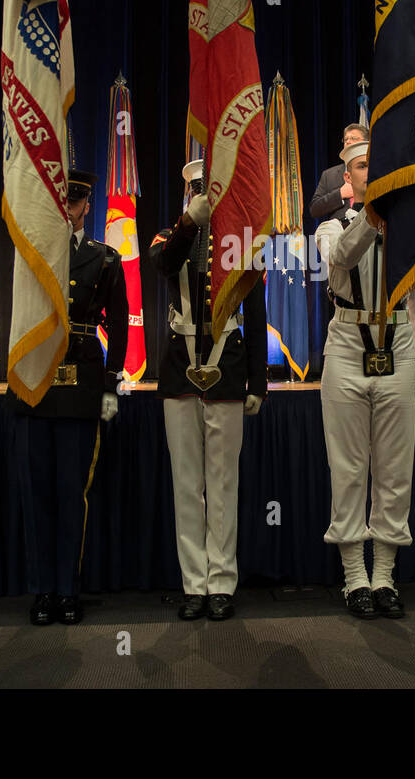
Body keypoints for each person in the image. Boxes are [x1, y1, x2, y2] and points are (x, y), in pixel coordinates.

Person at [314, 135, 415, 620]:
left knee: (393, 469)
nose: (371, 172)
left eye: (377, 164)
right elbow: (341, 259)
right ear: (348, 179)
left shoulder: (411, 230)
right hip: (348, 344)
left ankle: (385, 574)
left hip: (399, 342)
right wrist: (375, 215)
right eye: (363, 166)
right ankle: (354, 576)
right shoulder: (332, 226)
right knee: (348, 469)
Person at [6, 170, 128, 625]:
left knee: (69, 491)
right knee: (35, 491)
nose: (68, 208)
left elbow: (118, 324)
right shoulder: (29, 250)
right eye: (61, 200)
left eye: (75, 202)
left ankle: (67, 587)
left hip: (80, 380)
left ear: (86, 206)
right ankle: (42, 591)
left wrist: (112, 383)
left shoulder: (105, 259)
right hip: (36, 378)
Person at [150, 159, 266, 622]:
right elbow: (164, 266)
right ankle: (193, 584)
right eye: (198, 189)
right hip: (181, 369)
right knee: (187, 485)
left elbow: (255, 313)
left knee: (222, 483)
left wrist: (258, 380)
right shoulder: (168, 235)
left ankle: (221, 581)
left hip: (228, 368)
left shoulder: (241, 245)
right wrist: (187, 225)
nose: (205, 196)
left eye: (210, 189)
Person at [308, 124, 371, 222]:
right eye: (345, 139)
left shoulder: (374, 170)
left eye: (354, 138)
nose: (348, 141)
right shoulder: (329, 175)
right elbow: (314, 209)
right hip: (340, 233)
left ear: (366, 143)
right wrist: (340, 194)